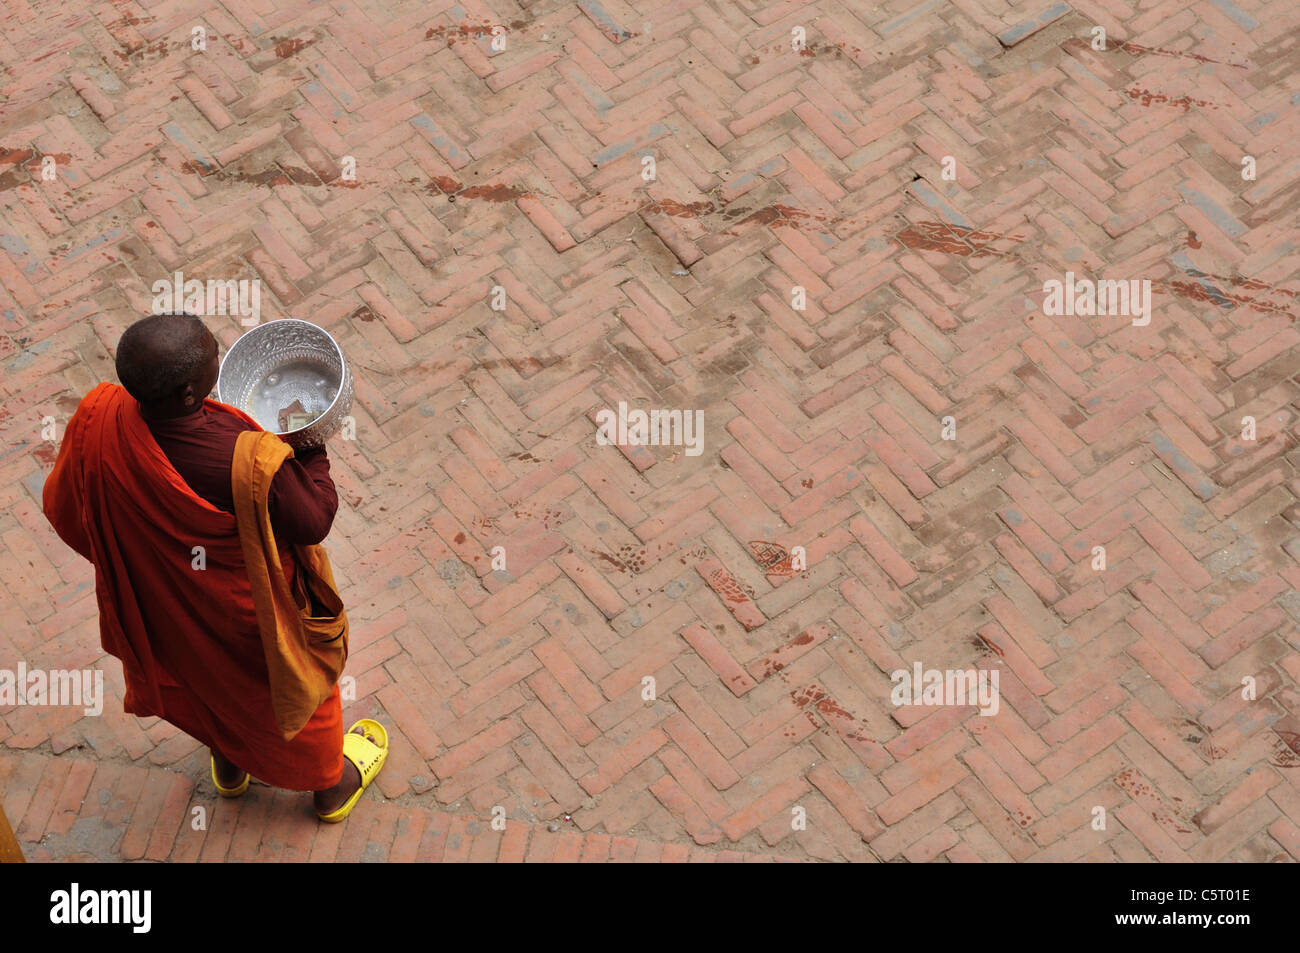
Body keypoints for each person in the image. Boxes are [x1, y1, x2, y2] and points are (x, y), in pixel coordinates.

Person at [41, 312, 386, 822]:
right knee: (296, 688)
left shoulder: (101, 414)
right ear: (186, 394)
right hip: (247, 615)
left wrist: (147, 560)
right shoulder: (249, 460)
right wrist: (307, 444)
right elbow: (313, 520)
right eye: (212, 359)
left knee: (209, 682)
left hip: (165, 605)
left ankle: (230, 763)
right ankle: (331, 785)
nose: (221, 361)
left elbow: (65, 504)